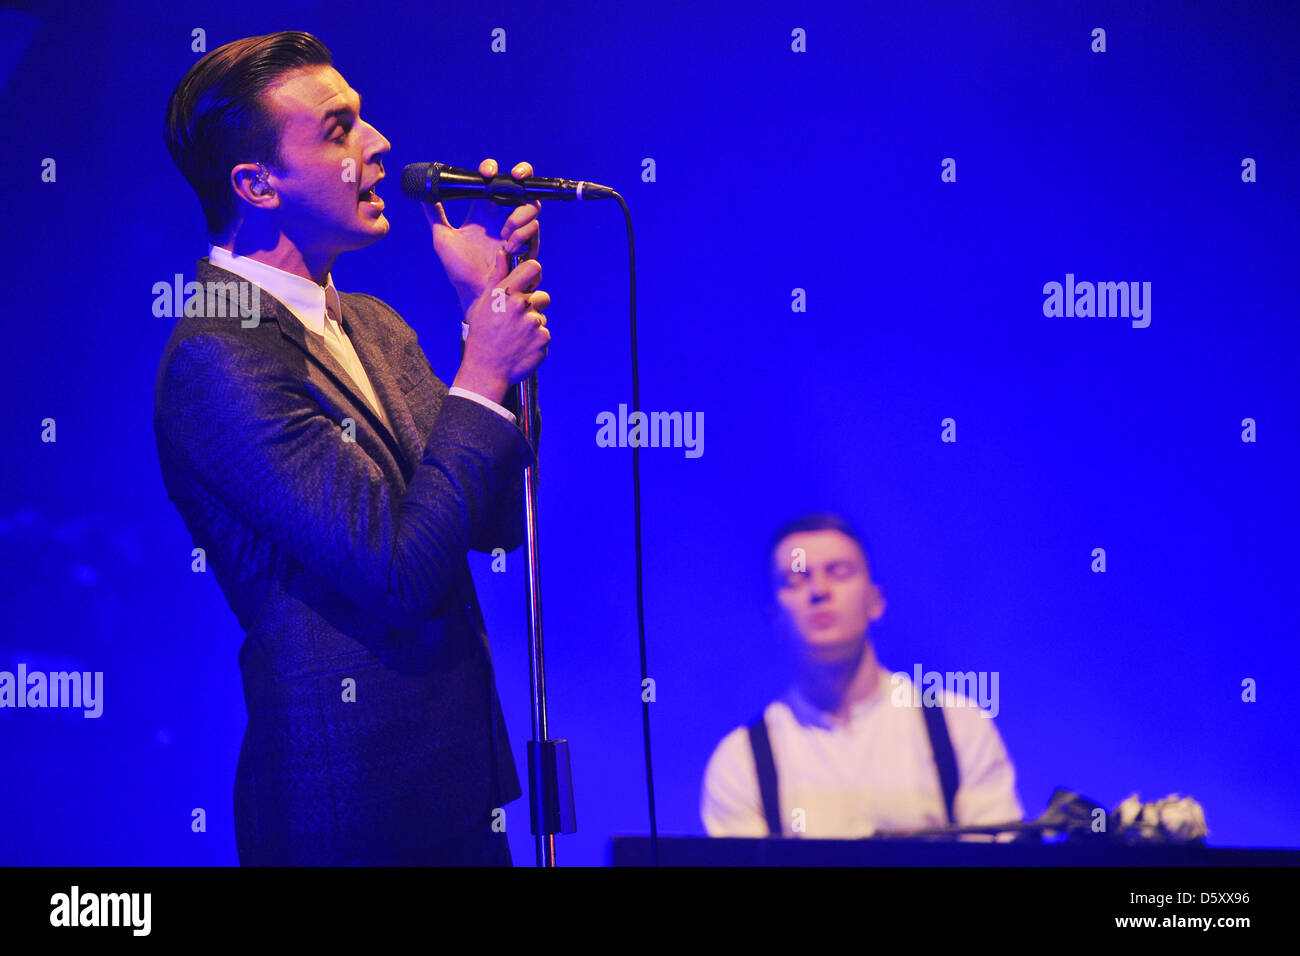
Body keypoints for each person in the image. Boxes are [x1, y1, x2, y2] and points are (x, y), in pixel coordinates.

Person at [153, 31, 550, 865]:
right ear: (256, 184)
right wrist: (481, 368)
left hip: (460, 793)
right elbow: (397, 574)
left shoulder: (370, 322)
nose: (378, 146)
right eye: (338, 130)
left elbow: (493, 526)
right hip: (350, 816)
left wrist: (493, 320)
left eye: (362, 120)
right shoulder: (219, 354)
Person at [700, 512, 1024, 838]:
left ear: (875, 601)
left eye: (838, 573)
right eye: (796, 580)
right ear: (774, 615)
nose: (819, 590)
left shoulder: (958, 726)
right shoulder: (741, 762)